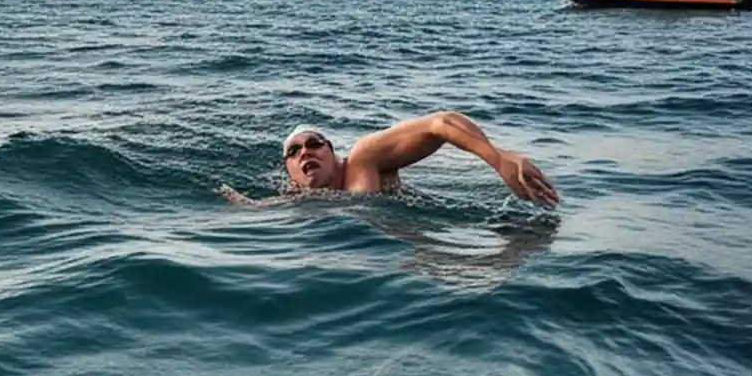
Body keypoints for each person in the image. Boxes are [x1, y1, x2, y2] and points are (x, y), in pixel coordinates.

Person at [221, 111, 560, 207]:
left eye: (314, 143)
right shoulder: (290, 204)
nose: (305, 151)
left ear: (335, 155)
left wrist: (498, 159)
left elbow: (440, 123)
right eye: (293, 152)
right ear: (289, 174)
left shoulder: (362, 162)